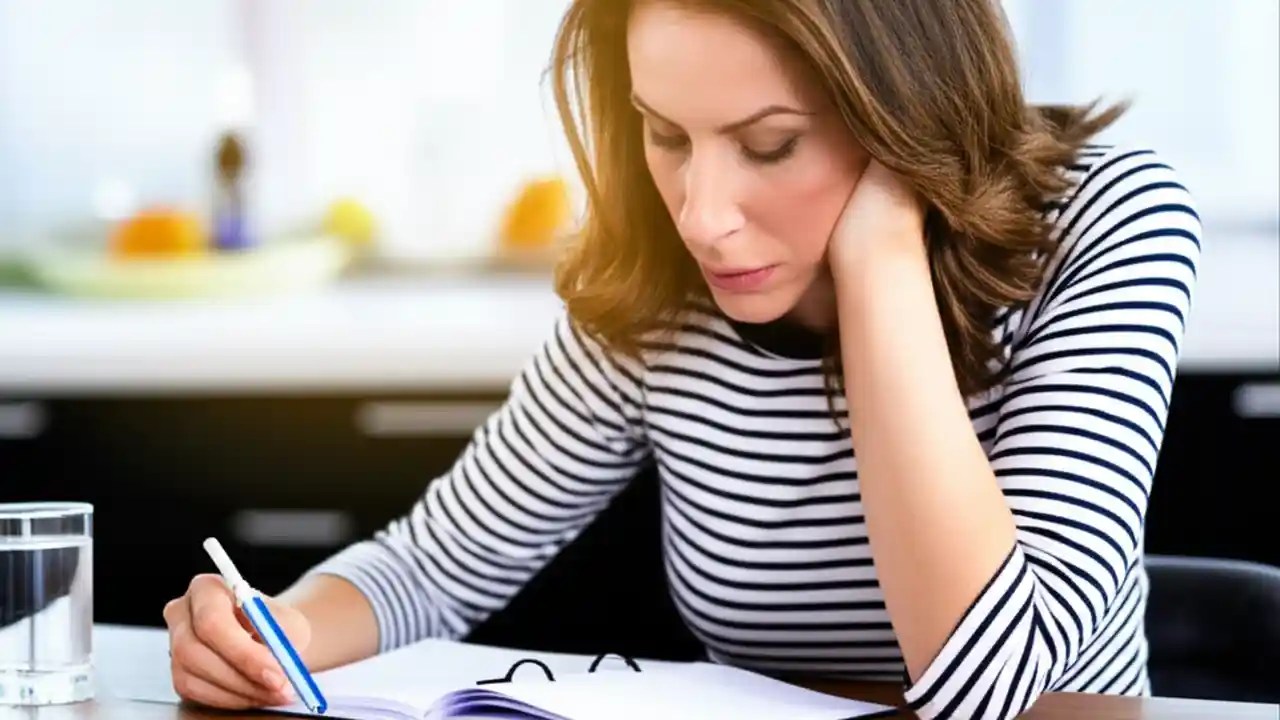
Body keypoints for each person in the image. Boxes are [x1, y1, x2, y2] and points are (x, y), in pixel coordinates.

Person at [162, 1, 1202, 718]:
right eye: (665, 135)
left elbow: (990, 690)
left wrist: (881, 253)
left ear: (906, 119)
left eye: (768, 144)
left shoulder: (1106, 221)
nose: (702, 218)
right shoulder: (655, 274)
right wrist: (271, 629)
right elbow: (435, 564)